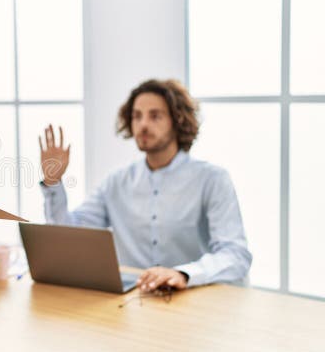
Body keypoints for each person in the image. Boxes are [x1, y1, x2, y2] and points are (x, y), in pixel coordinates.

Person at [39, 79, 252, 292]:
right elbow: (68, 234)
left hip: (196, 299)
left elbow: (235, 255)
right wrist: (53, 182)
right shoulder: (116, 182)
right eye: (137, 116)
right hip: (137, 301)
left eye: (155, 116)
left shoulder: (212, 179)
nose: (143, 125)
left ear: (177, 121)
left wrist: (184, 274)